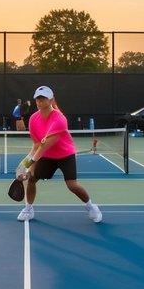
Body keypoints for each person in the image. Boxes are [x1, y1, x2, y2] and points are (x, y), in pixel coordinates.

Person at [15, 85, 102, 224]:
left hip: (65, 154)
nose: (39, 102)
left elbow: (44, 145)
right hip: (47, 156)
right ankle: (28, 209)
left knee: (72, 185)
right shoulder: (33, 119)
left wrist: (27, 164)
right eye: (38, 98)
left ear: (51, 100)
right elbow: (37, 145)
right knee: (31, 178)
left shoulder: (60, 119)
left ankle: (91, 206)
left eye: (43, 99)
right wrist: (25, 164)